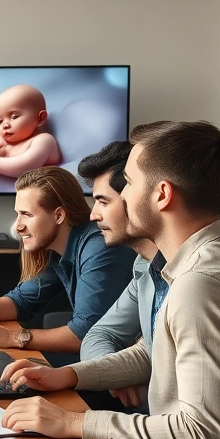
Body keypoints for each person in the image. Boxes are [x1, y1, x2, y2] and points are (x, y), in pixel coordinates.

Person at [0, 121, 220, 439]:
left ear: (161, 195)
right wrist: (67, 375)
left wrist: (73, 422)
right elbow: (153, 349)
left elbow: (202, 438)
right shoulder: (211, 261)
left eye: (127, 182)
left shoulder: (202, 285)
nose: (117, 198)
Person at [0, 166, 135, 354]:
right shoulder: (58, 247)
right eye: (18, 214)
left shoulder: (100, 247)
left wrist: (11, 337)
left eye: (27, 215)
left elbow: (84, 335)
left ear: (59, 215)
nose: (18, 226)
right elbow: (22, 301)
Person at [76, 141, 168, 412]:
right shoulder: (144, 266)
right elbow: (99, 335)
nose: (93, 215)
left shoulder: (198, 278)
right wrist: (115, 373)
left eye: (103, 201)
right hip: (152, 416)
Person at [0, 84, 62, 178]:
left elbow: (26, 167)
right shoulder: (5, 138)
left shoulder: (45, 141)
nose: (5, 125)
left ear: (40, 118)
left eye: (14, 117)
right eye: (0, 121)